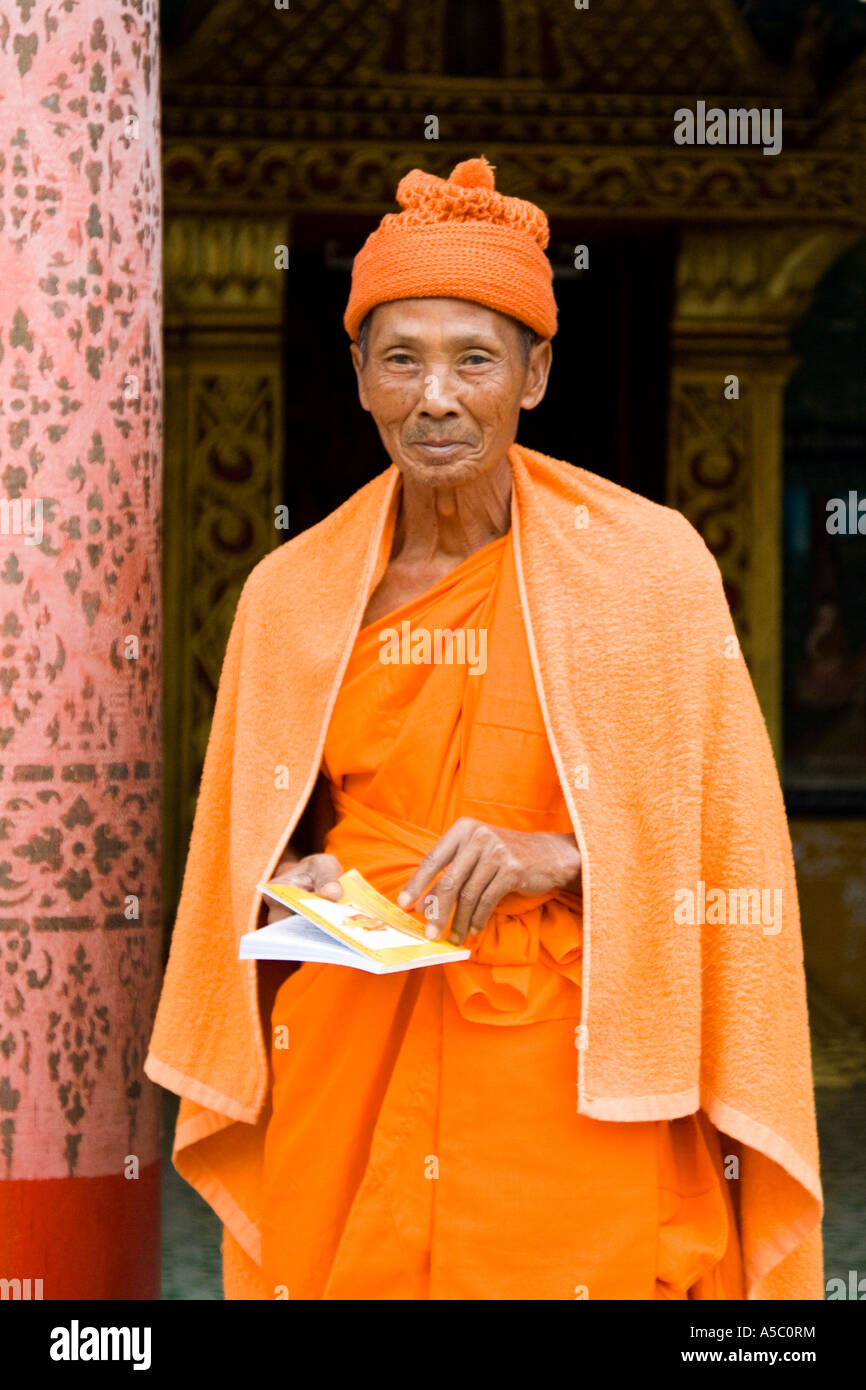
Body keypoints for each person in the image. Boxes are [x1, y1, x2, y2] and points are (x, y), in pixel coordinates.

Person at [146, 156, 822, 1300]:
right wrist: (295, 878)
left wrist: (558, 855)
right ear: (358, 377)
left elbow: (730, 855)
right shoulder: (295, 591)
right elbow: (243, 850)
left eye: (473, 358)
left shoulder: (647, 568)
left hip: (577, 1045)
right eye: (400, 359)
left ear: (536, 372)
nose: (436, 396)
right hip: (350, 1026)